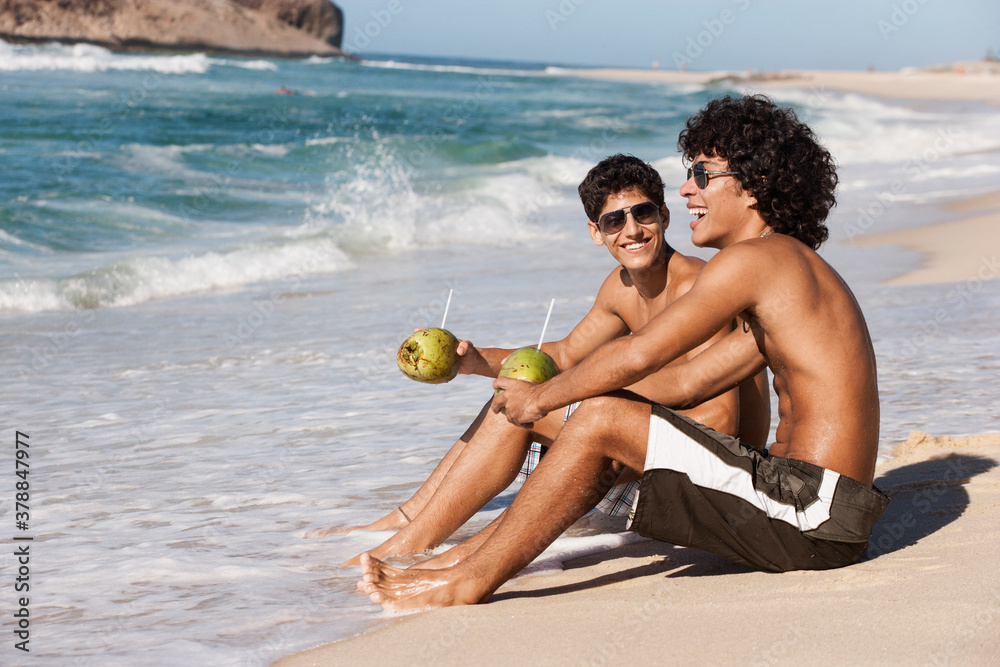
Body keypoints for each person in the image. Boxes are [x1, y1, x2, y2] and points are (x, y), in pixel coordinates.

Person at [358, 94, 890, 610]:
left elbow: (640, 356)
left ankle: (468, 578)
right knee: (599, 413)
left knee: (600, 419)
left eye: (703, 174)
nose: (685, 191)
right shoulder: (788, 267)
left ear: (754, 186)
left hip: (812, 514)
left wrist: (543, 400)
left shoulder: (752, 262)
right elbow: (687, 383)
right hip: (824, 513)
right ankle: (461, 557)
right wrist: (555, 392)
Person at [309, 153, 771, 567]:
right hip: (648, 464)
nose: (631, 230)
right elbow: (566, 354)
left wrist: (595, 411)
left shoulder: (698, 287)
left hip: (712, 485)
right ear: (596, 232)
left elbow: (722, 422)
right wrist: (471, 360)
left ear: (664, 215)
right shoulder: (620, 288)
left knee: (521, 411)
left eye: (643, 213)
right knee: (512, 394)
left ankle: (407, 546)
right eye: (614, 221)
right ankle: (406, 521)